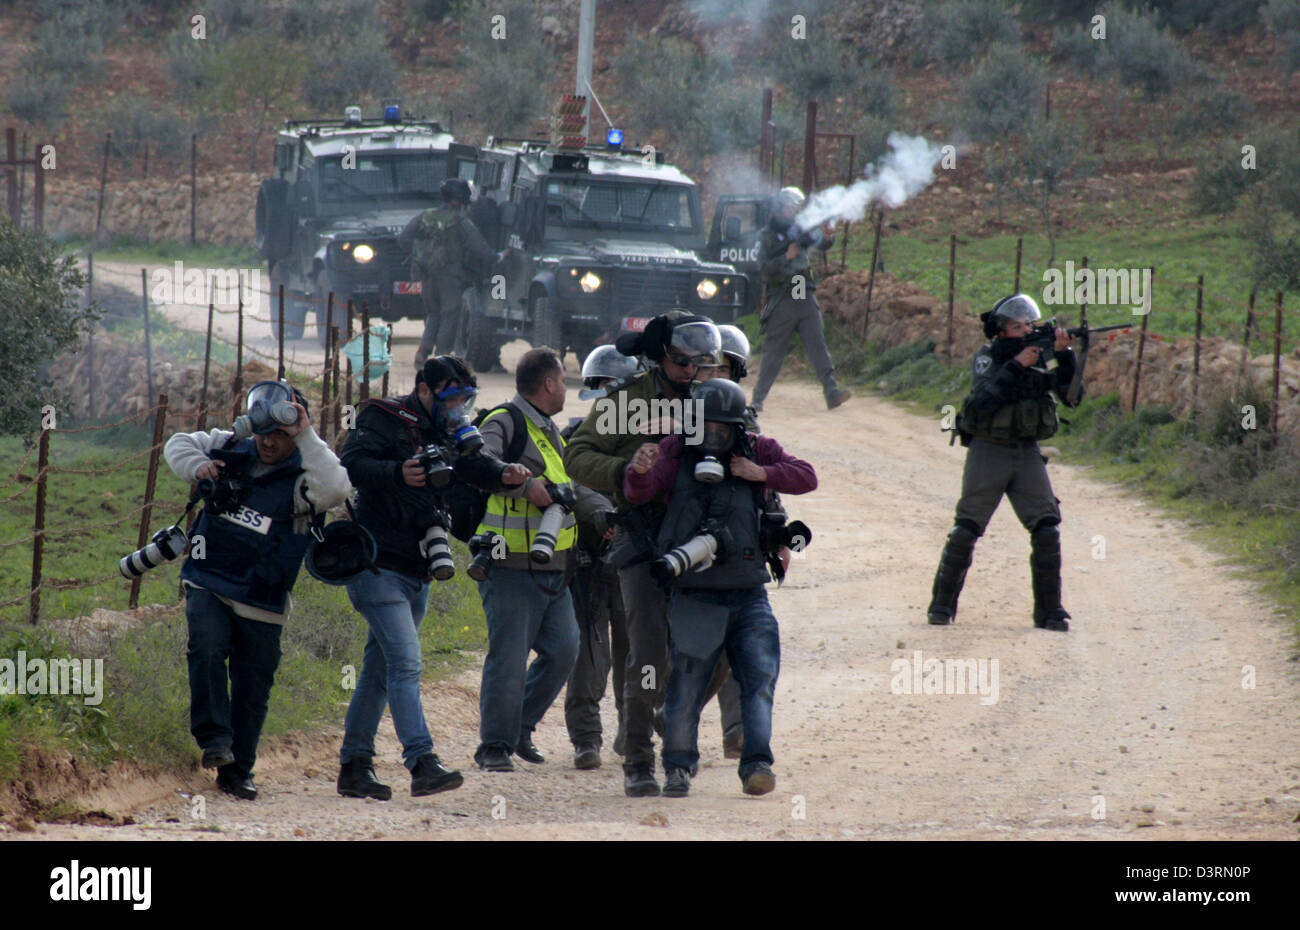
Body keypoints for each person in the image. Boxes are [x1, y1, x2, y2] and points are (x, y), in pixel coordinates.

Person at [337, 355, 530, 799]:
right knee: (406, 664)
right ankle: (422, 762)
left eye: (465, 399)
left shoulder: (450, 429)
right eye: (451, 398)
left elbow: (474, 466)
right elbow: (350, 463)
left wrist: (505, 473)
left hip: (420, 565)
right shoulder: (382, 416)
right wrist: (395, 472)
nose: (458, 407)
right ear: (425, 389)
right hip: (376, 563)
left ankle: (354, 766)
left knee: (380, 670)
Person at [623, 378, 818, 798]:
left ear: (737, 427)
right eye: (703, 427)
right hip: (695, 592)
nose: (712, 437)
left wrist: (761, 472)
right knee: (686, 684)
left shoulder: (756, 448)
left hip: (750, 592)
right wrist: (637, 470)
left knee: (760, 679)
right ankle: (677, 768)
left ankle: (757, 765)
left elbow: (807, 477)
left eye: (722, 430)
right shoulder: (675, 449)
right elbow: (640, 490)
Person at [164, 380, 352, 801]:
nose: (268, 443)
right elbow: (176, 445)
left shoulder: (306, 480)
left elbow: (338, 487)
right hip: (208, 578)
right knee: (206, 648)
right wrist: (200, 468)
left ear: (295, 436)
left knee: (252, 687)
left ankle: (237, 771)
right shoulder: (230, 446)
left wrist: (306, 433)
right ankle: (214, 740)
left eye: (280, 435)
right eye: (264, 432)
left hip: (263, 599)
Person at [564, 312, 722, 797]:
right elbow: (577, 456)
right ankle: (640, 760)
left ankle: (672, 732)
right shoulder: (626, 402)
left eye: (703, 364)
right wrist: (626, 466)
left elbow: (752, 452)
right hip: (644, 540)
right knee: (647, 657)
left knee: (711, 654)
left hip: (705, 544)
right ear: (660, 358)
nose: (693, 372)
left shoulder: (718, 399)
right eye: (682, 363)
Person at [470, 348, 611, 771]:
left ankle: (519, 729)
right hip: (510, 565)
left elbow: (569, 484)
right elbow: (481, 464)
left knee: (565, 651)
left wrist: (605, 512)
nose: (566, 388)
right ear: (548, 384)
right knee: (508, 659)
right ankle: (494, 747)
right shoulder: (504, 421)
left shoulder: (549, 429)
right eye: (564, 381)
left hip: (554, 570)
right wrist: (523, 485)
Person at [926, 294, 1079, 632]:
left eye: (1029, 323)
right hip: (988, 449)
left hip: (1026, 451)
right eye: (1017, 325)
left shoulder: (1044, 356)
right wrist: (1017, 365)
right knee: (967, 527)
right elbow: (980, 402)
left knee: (1046, 527)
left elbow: (1072, 397)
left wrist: (1066, 356)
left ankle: (1050, 611)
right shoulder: (988, 357)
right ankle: (941, 605)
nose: (1026, 329)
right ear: (1001, 332)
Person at [561, 346, 640, 768]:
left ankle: (632, 733)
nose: (604, 396)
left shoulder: (649, 433)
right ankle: (586, 740)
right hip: (590, 563)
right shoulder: (575, 436)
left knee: (636, 655)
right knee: (589, 658)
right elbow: (573, 483)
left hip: (632, 562)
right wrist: (603, 517)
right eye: (598, 388)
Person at [750, 186, 852, 413]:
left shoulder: (800, 229)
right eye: (790, 207)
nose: (794, 212)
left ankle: (831, 392)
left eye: (796, 208)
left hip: (803, 292)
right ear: (779, 208)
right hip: (783, 297)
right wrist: (786, 257)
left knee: (818, 344)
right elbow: (764, 270)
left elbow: (820, 242)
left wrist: (827, 234)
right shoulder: (766, 236)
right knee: (774, 352)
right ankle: (757, 400)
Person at [399, 177, 503, 367]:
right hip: (450, 276)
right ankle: (441, 358)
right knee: (450, 315)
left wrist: (419, 255)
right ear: (460, 199)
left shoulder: (425, 216)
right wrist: (497, 258)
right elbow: (478, 247)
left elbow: (403, 238)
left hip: (426, 274)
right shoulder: (460, 221)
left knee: (433, 314)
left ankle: (423, 352)